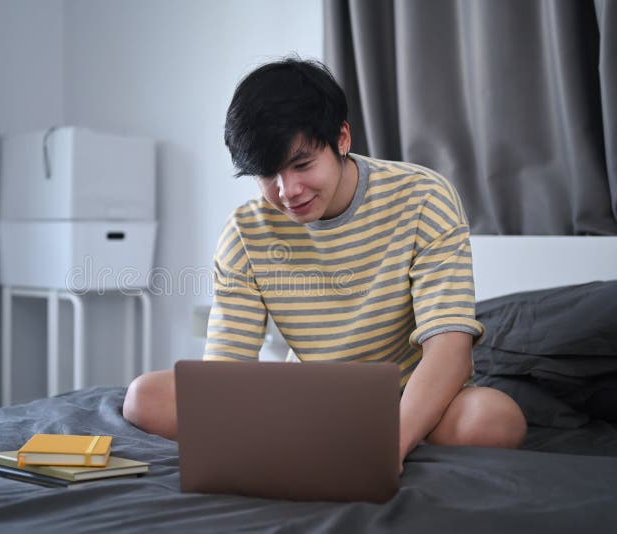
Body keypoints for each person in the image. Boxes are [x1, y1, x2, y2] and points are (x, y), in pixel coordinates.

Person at [123, 58, 526, 473]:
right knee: (144, 397)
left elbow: (449, 352)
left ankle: (380, 437)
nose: (288, 191)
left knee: (494, 420)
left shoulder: (424, 198)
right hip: (307, 400)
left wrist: (388, 447)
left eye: (302, 165)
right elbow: (226, 371)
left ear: (342, 139)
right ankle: (314, 437)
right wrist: (229, 428)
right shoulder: (246, 230)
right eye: (268, 175)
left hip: (409, 399)